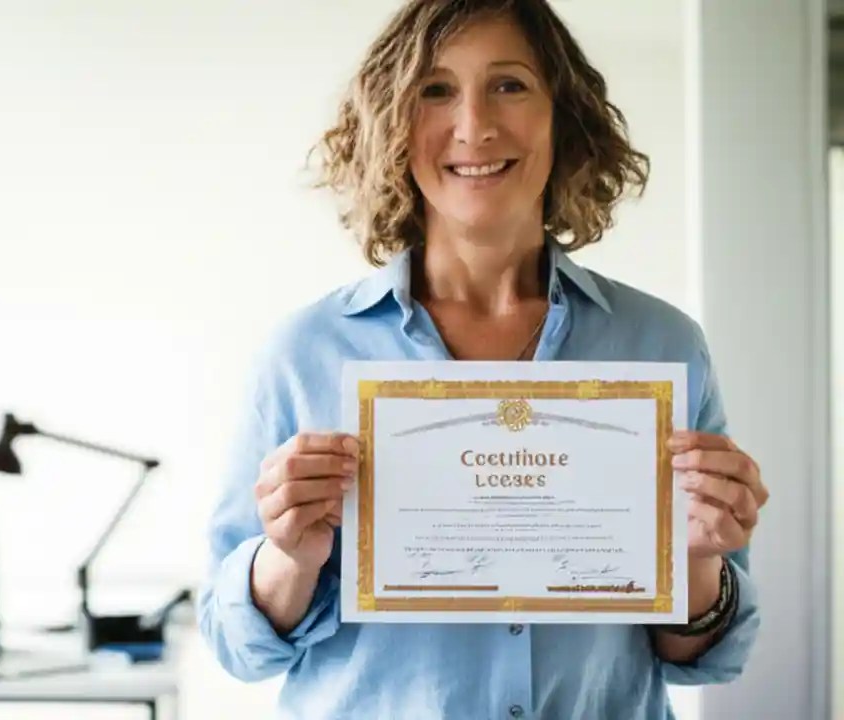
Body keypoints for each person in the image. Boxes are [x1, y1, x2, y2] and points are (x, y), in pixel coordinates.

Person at [196, 1, 768, 718]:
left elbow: (705, 656)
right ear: (393, 124)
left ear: (565, 116)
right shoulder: (304, 353)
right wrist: (288, 558)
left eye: (510, 85)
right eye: (436, 90)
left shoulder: (663, 347)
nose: (474, 126)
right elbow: (233, 644)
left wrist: (695, 558)